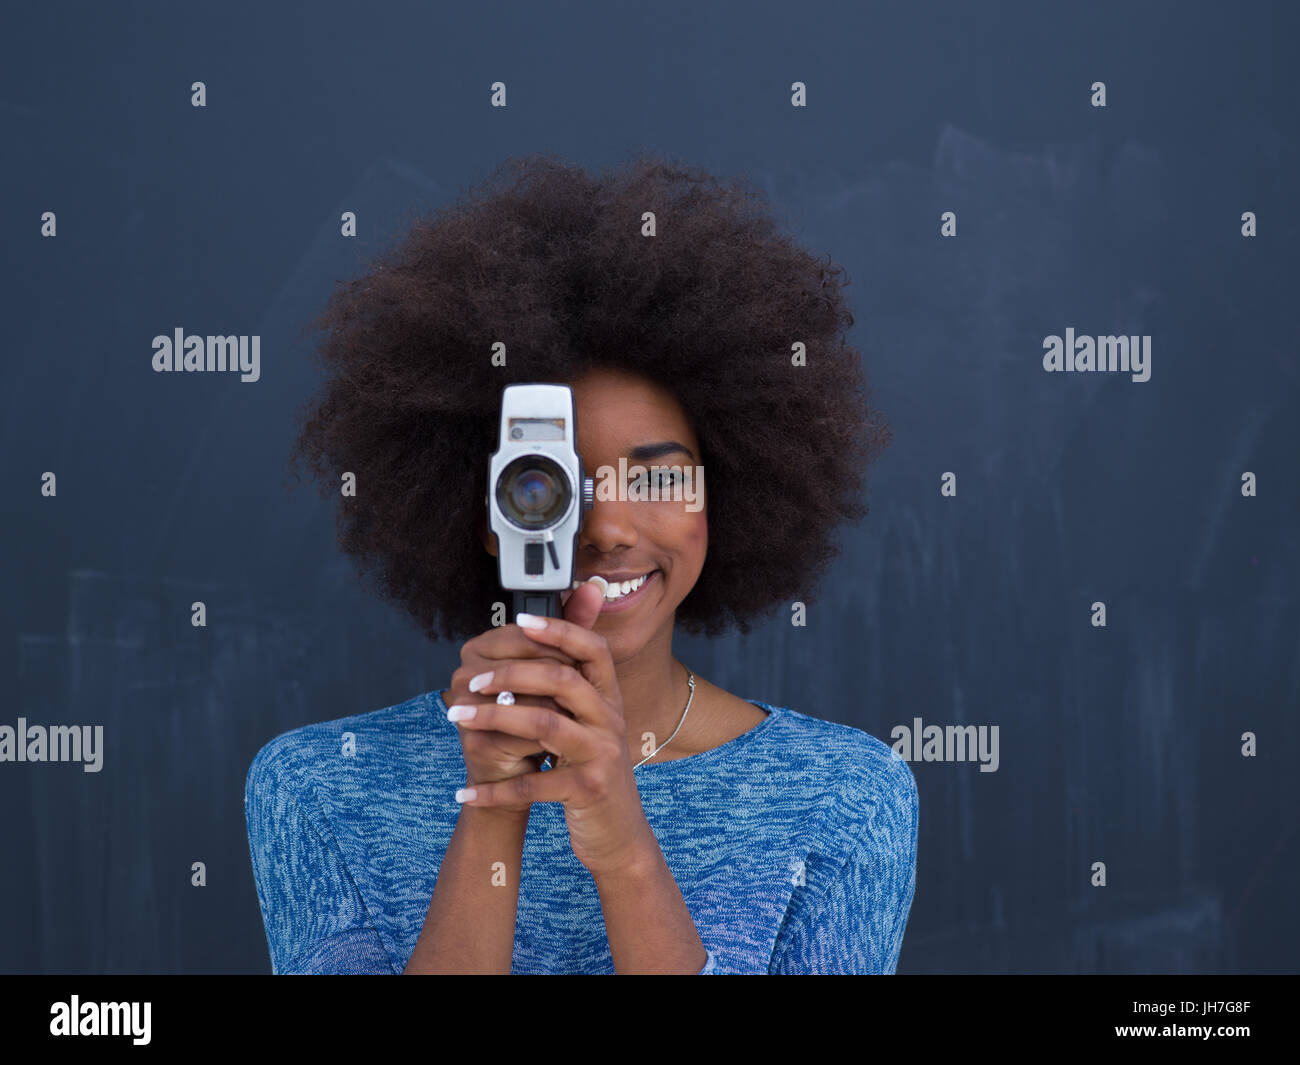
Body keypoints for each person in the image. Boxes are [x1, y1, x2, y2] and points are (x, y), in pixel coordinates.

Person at [244, 151, 918, 974]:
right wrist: (493, 805)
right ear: (485, 513)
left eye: (658, 475)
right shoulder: (318, 789)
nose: (608, 527)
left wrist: (624, 844)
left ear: (726, 496)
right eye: (549, 484)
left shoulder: (847, 797)